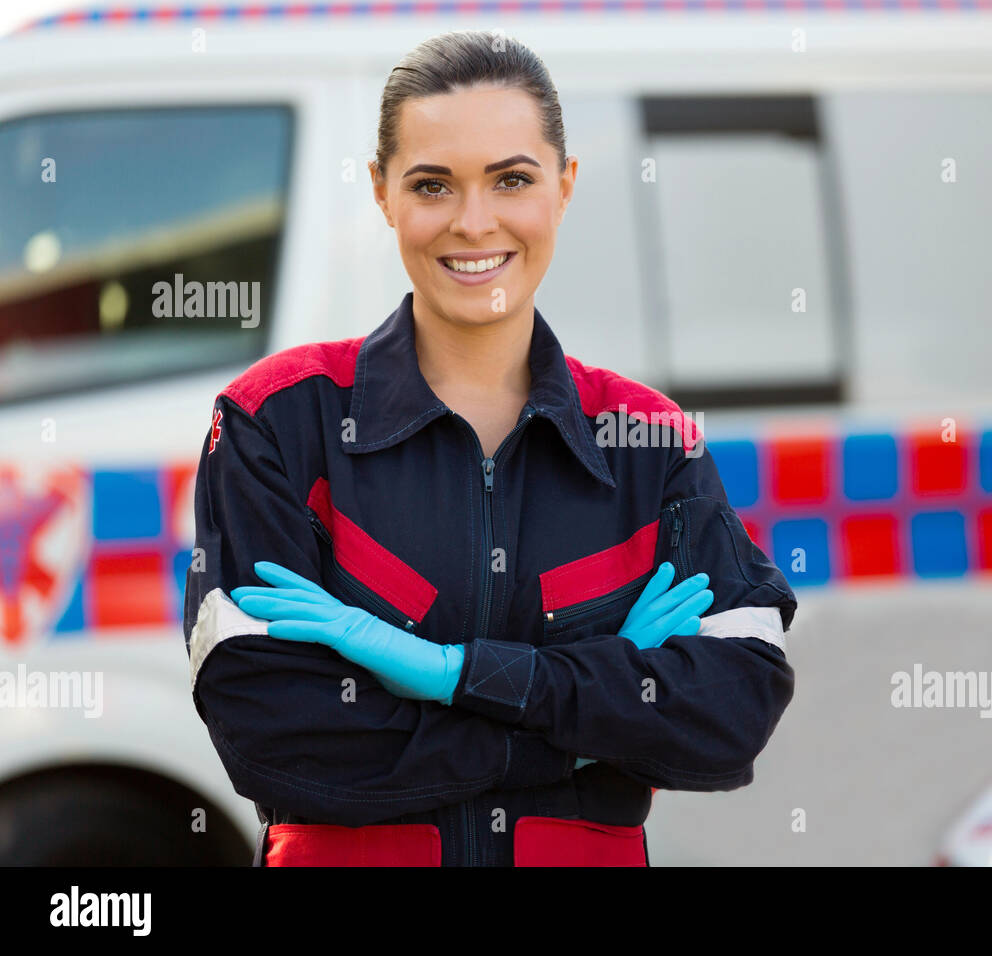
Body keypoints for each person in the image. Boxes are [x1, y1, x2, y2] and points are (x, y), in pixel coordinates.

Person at [182, 29, 796, 867]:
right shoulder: (276, 426)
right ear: (382, 193)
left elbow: (732, 714)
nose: (475, 224)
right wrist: (583, 713)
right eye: (432, 185)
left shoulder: (650, 441)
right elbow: (276, 738)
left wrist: (446, 672)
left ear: (564, 187)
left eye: (511, 179)